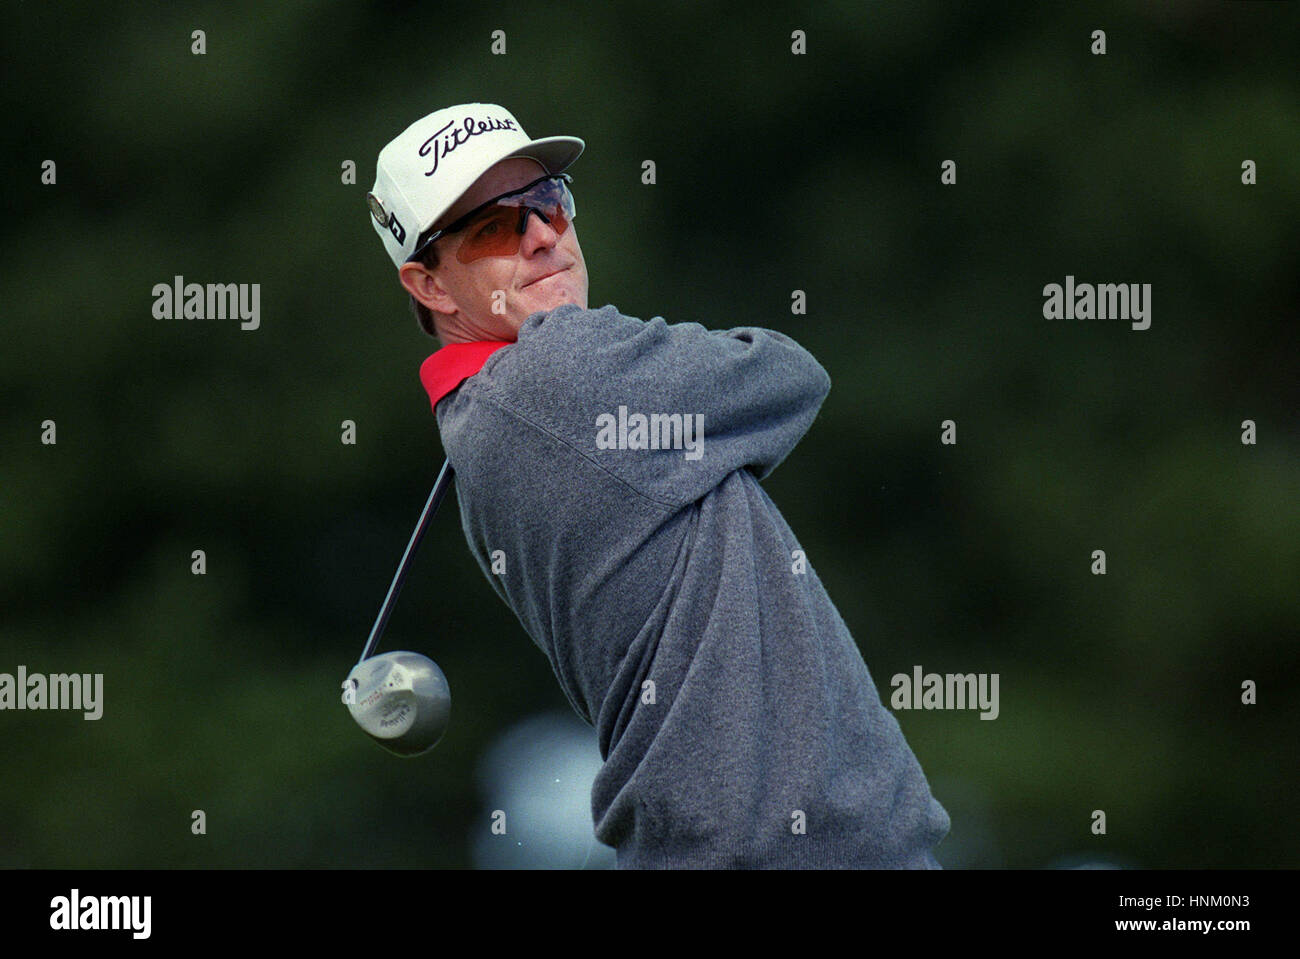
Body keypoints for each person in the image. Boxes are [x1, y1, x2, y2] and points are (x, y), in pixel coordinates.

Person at [366, 103, 951, 868]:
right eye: (492, 228)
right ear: (430, 286)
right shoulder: (556, 372)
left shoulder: (479, 434)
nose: (543, 235)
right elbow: (788, 372)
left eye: (549, 202)